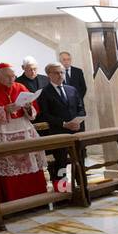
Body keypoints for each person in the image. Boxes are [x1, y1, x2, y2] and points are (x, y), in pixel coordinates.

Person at [0, 62, 48, 201]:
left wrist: (28, 107)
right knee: (7, 167)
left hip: (24, 129)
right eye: (8, 76)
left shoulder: (20, 87)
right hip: (1, 132)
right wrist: (4, 110)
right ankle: (11, 200)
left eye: (13, 76)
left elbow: (33, 113)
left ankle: (37, 197)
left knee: (31, 164)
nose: (11, 79)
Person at [35, 61, 86, 189]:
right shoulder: (44, 92)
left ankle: (82, 185)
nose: (60, 75)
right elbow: (44, 115)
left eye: (62, 72)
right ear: (49, 75)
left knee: (80, 160)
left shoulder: (71, 89)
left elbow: (81, 108)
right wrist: (64, 124)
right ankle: (62, 189)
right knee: (61, 162)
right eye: (56, 73)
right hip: (57, 132)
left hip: (75, 131)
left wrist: (77, 121)